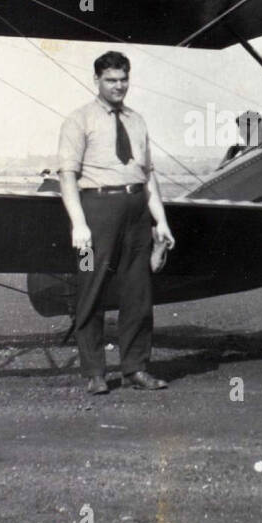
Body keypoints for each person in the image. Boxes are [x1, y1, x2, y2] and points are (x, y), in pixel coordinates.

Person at [57, 51, 175, 395]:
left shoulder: (137, 121)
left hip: (137, 211)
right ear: (96, 81)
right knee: (89, 287)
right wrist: (79, 224)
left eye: (123, 79)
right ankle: (94, 372)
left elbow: (147, 174)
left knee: (138, 292)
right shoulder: (78, 120)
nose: (118, 86)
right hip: (96, 211)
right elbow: (67, 176)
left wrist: (161, 221)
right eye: (111, 80)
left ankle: (135, 368)